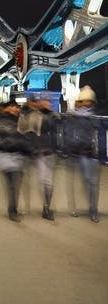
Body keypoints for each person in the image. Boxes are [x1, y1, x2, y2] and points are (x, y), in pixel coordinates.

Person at [64, 86, 100, 222]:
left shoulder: (96, 116)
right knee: (83, 180)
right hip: (77, 153)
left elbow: (100, 134)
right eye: (83, 101)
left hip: (92, 153)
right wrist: (70, 148)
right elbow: (68, 133)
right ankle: (74, 207)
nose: (86, 104)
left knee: (92, 183)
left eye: (89, 101)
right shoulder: (72, 116)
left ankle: (93, 210)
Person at [0, 98, 28, 221]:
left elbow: (24, 136)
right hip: (5, 155)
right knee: (12, 184)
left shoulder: (20, 120)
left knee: (16, 184)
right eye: (14, 107)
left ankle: (12, 209)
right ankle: (12, 211)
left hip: (18, 155)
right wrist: (9, 144)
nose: (16, 109)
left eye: (17, 107)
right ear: (7, 108)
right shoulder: (0, 120)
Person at [19, 94, 57, 220]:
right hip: (28, 151)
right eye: (34, 101)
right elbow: (21, 131)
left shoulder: (47, 115)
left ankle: (46, 208)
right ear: (29, 102)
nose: (37, 104)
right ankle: (25, 206)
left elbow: (54, 127)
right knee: (25, 179)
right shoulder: (24, 113)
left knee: (46, 181)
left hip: (45, 151)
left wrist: (49, 111)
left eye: (38, 101)